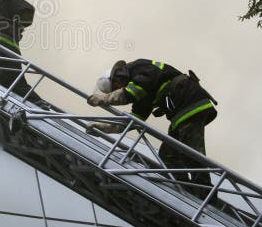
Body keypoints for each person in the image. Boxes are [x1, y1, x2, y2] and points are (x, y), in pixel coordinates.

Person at [86, 59, 218, 199]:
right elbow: (134, 121)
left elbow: (129, 93)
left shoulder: (138, 68)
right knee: (168, 157)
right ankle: (187, 193)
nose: (118, 89)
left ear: (117, 77)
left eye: (116, 87)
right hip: (180, 114)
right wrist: (102, 128)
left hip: (190, 104)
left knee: (191, 153)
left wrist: (103, 99)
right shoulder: (141, 94)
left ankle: (206, 196)